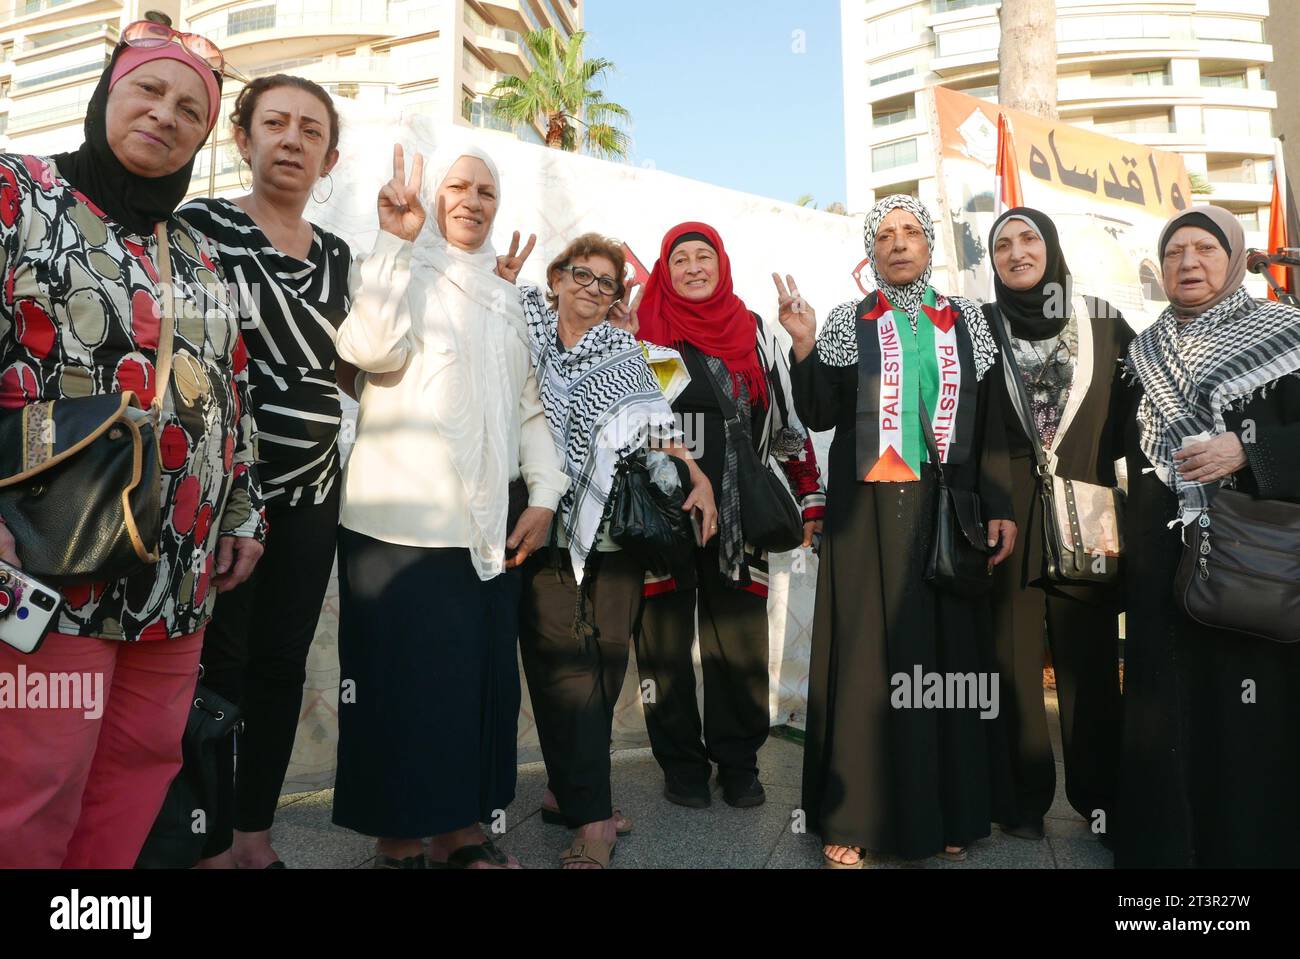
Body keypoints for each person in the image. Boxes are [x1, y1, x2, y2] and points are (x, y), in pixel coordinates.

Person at [0, 22, 265, 868]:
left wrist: (244, 512)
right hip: (47, 563)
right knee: (33, 781)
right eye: (148, 90)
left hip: (176, 575)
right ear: (107, 91)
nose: (166, 114)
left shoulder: (201, 256)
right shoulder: (19, 192)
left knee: (139, 772)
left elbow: (234, 390)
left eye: (191, 107)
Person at [331, 140, 568, 869]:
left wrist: (546, 493)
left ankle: (464, 831)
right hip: (394, 527)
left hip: (483, 532)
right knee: (395, 687)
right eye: (458, 187)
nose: (471, 200)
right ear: (434, 199)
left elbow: (530, 409)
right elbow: (367, 349)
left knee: (475, 686)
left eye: (486, 192)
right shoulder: (403, 271)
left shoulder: (506, 296)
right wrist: (393, 247)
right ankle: (398, 836)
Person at [786, 194, 1017, 867]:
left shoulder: (969, 319)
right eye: (884, 234)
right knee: (864, 658)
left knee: (945, 662)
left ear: (929, 244)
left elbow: (993, 420)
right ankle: (852, 813)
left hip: (945, 512)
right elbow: (822, 411)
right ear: (871, 249)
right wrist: (803, 344)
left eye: (911, 231)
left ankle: (945, 808)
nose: (898, 242)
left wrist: (998, 502)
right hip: (864, 519)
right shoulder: (844, 320)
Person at [180, 74, 353, 870]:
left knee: (283, 662)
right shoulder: (202, 228)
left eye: (310, 130)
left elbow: (351, 366)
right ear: (243, 138)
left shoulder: (340, 255)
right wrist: (230, 483)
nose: (291, 139)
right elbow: (194, 362)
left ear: (329, 156)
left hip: (317, 488)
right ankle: (203, 835)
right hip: (224, 490)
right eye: (274, 123)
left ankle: (255, 833)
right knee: (218, 662)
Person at [513, 233, 717, 868]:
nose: (593, 290)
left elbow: (659, 425)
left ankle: (573, 794)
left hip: (615, 537)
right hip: (544, 526)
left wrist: (698, 472)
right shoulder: (522, 336)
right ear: (555, 277)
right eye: (582, 275)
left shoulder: (628, 354)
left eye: (607, 283)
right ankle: (592, 814)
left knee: (601, 670)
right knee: (555, 672)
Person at [1114, 205, 1300, 868]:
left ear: (1238, 257)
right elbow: (1112, 449)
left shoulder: (1286, 336)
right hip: (1160, 563)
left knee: (1242, 713)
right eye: (1173, 252)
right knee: (1163, 713)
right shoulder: (1139, 353)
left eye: (1204, 249)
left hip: (1248, 567)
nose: (1187, 263)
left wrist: (1249, 450)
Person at [625, 221, 826, 810]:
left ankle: (738, 763)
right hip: (663, 511)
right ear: (664, 269)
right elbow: (621, 415)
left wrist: (808, 490)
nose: (692, 267)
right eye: (680, 258)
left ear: (721, 265)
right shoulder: (642, 331)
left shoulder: (754, 331)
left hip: (740, 517)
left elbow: (785, 418)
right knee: (661, 645)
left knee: (736, 643)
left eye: (702, 257)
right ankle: (681, 764)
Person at [983, 208, 1128, 843]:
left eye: (1028, 240)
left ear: (1051, 248)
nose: (1016, 253)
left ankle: (1103, 803)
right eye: (1002, 245)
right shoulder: (979, 327)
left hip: (1087, 512)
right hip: (1005, 518)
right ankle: (1019, 801)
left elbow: (1140, 412)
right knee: (1011, 664)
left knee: (1089, 664)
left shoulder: (1100, 319)